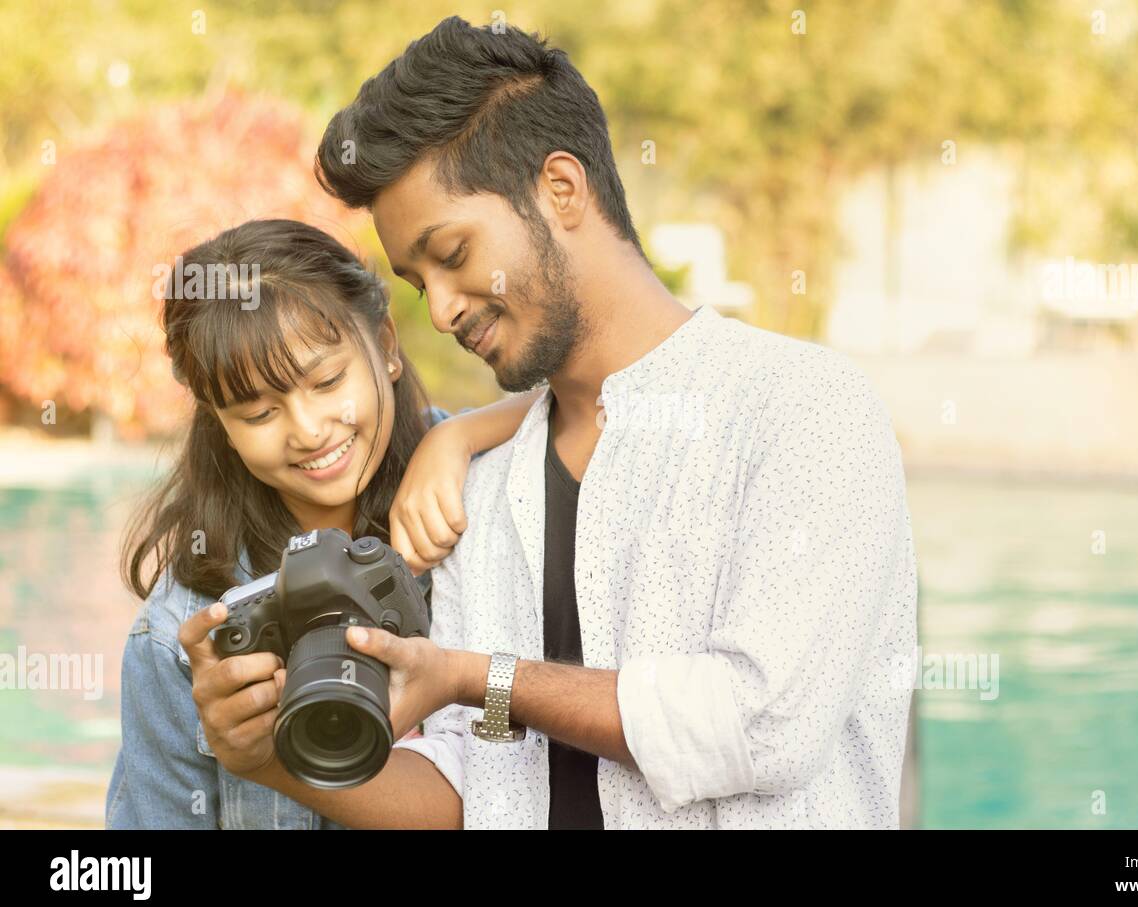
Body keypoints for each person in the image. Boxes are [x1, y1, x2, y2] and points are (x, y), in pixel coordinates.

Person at [184, 16, 918, 829]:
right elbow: (473, 782)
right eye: (420, 283)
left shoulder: (804, 411)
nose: (443, 310)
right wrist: (264, 758)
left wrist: (477, 678)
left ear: (561, 189)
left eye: (452, 255)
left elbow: (764, 723)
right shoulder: (481, 489)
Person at [107, 218, 537, 828]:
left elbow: (598, 395)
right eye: (259, 414)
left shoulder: (488, 502)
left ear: (386, 345)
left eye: (328, 381)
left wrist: (459, 436)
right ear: (219, 423)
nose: (308, 431)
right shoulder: (185, 632)